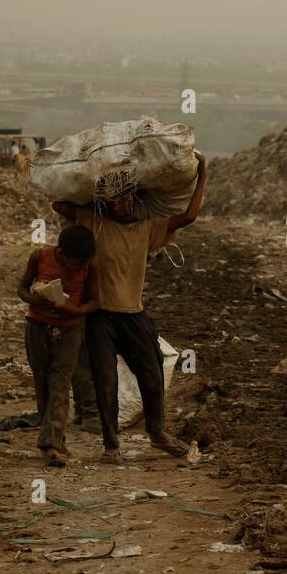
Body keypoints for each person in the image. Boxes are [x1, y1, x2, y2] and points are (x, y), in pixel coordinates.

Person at [53, 151, 206, 463]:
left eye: (125, 199)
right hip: (98, 316)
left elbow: (188, 216)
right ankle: (111, 446)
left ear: (136, 199)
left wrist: (202, 175)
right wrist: (90, 187)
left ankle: (157, 432)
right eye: (113, 200)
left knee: (151, 374)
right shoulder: (93, 221)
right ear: (105, 201)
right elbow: (59, 204)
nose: (120, 205)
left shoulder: (148, 227)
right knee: (105, 381)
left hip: (133, 314)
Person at [16, 225, 99, 467]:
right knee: (42, 384)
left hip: (70, 329)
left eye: (83, 263)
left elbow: (95, 301)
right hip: (37, 326)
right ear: (61, 253)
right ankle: (54, 438)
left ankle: (51, 443)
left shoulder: (89, 266)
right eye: (75, 263)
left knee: (60, 383)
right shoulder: (40, 257)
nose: (79, 267)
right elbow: (22, 288)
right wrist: (35, 299)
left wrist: (76, 310)